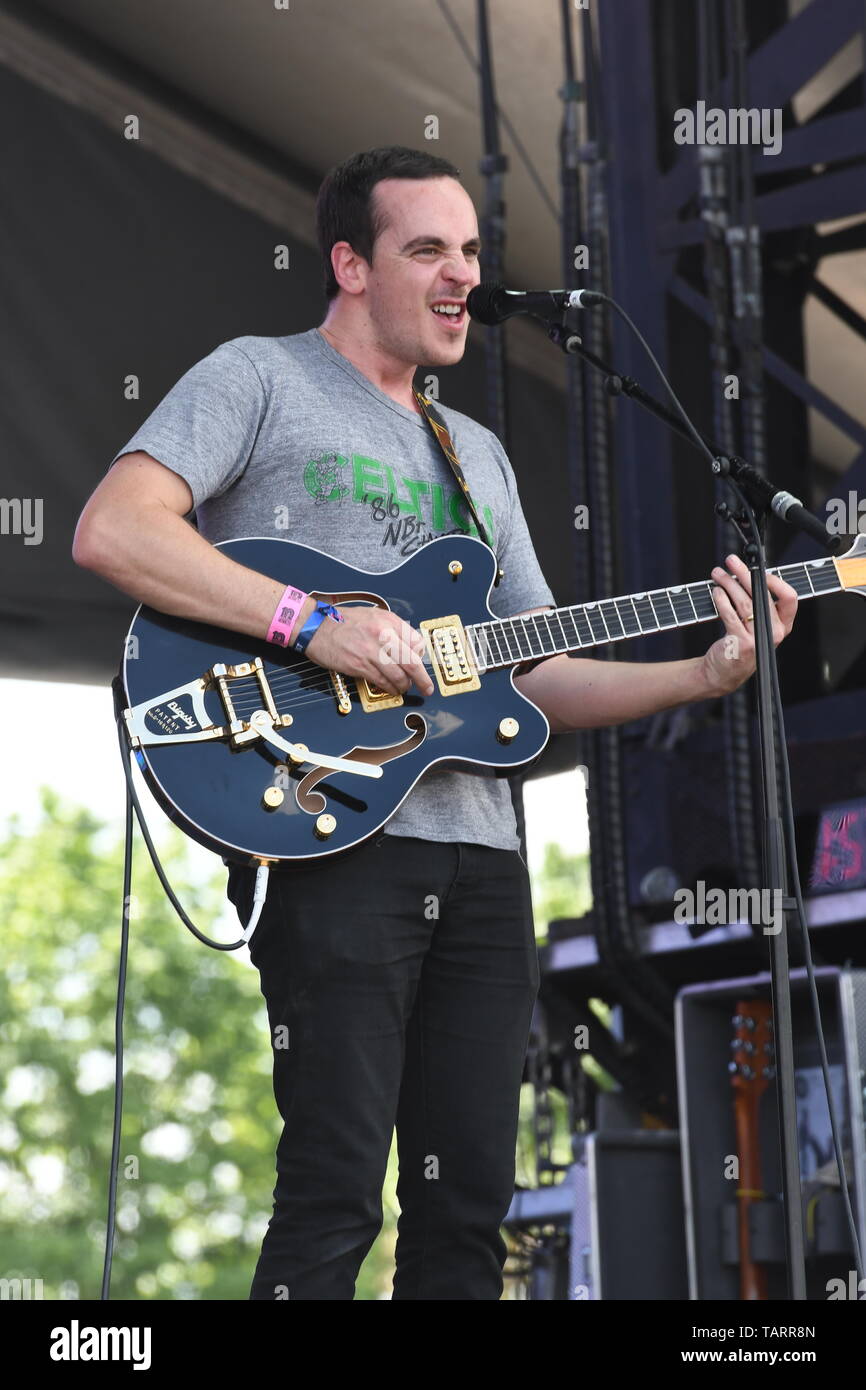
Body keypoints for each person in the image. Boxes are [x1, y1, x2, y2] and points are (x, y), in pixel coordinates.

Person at [73, 145, 798, 1300]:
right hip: (324, 820)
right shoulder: (257, 378)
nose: (462, 273)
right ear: (349, 265)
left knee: (467, 1207)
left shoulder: (479, 456)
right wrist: (316, 624)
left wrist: (704, 673)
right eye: (428, 250)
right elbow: (116, 530)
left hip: (479, 857)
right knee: (335, 1188)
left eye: (469, 250)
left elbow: (541, 670)